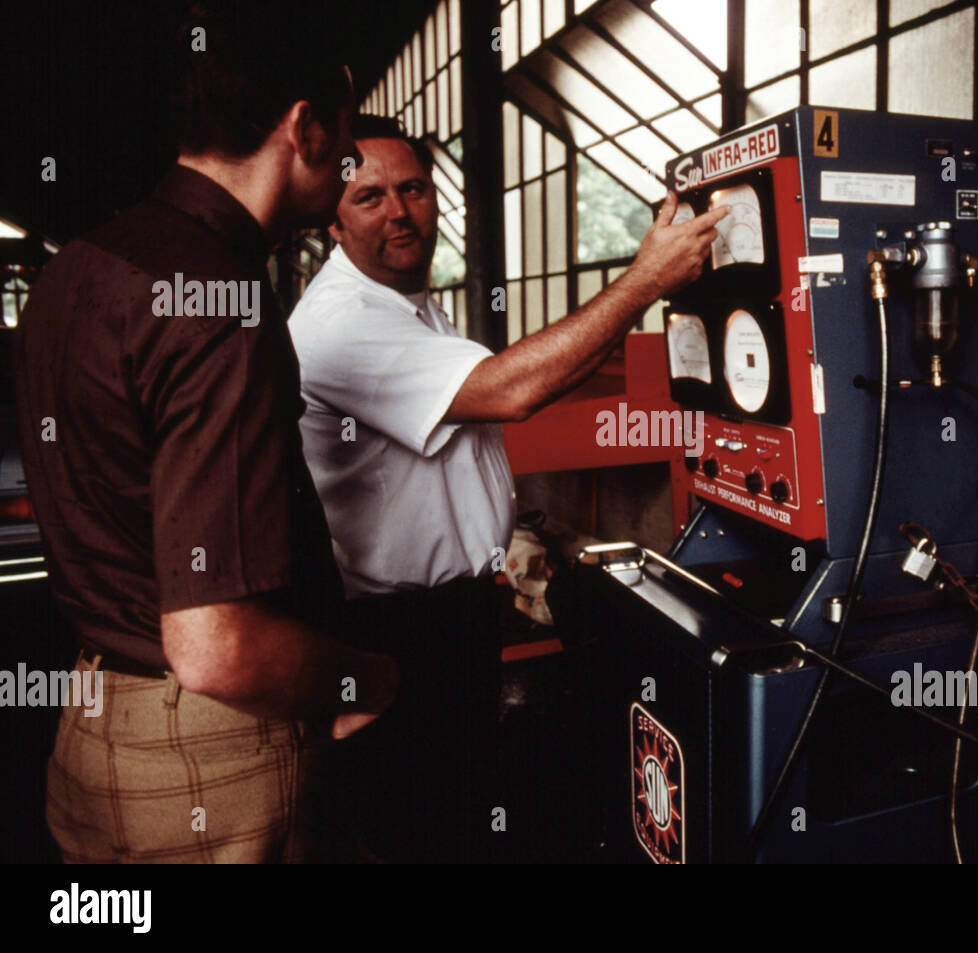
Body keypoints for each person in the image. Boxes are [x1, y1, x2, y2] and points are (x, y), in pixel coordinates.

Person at [13, 5, 397, 863]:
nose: (347, 167)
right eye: (344, 145)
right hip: (214, 757)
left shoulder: (75, 269)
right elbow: (216, 645)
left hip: (90, 729)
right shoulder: (219, 300)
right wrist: (365, 675)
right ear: (302, 128)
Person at [288, 114, 725, 861]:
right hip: (394, 631)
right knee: (417, 828)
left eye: (415, 188)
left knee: (462, 814)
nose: (399, 210)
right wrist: (646, 281)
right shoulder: (338, 322)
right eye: (370, 197)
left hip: (457, 613)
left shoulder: (411, 304)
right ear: (331, 218)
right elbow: (510, 391)